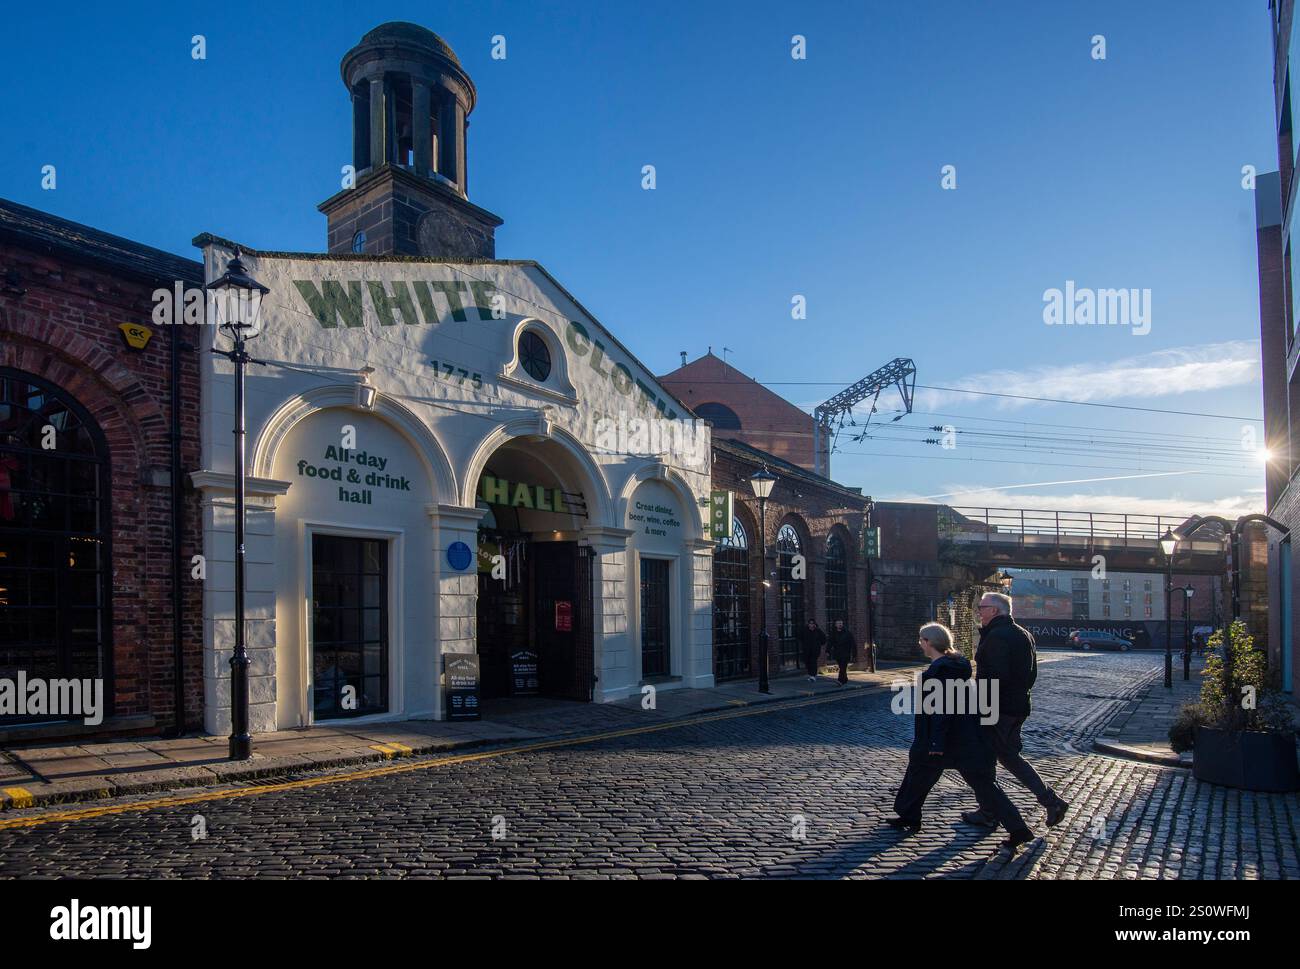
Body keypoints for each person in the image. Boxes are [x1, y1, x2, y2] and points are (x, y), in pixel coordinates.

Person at [887, 622, 1034, 852]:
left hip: (953, 741)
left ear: (928, 642)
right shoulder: (957, 666)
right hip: (968, 740)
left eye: (921, 640)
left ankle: (1018, 829)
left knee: (974, 783)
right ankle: (909, 815)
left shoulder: (939, 672)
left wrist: (935, 742)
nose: (919, 644)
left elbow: (941, 711)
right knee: (923, 771)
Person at [962, 592, 1070, 830]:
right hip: (1017, 705)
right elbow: (1030, 674)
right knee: (1001, 756)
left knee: (993, 757)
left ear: (996, 610)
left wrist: (980, 705)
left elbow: (995, 677)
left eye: (982, 606)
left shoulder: (997, 636)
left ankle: (1047, 802)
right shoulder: (1023, 634)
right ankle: (990, 809)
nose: (978, 610)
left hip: (998, 707)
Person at [827, 619, 855, 685]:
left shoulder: (847, 633)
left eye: (841, 623)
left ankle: (840, 680)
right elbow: (830, 642)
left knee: (843, 667)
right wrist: (827, 651)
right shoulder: (833, 633)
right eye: (838, 623)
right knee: (842, 667)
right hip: (837, 653)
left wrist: (854, 654)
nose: (840, 624)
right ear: (835, 625)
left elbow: (853, 643)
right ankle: (845, 679)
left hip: (846, 653)